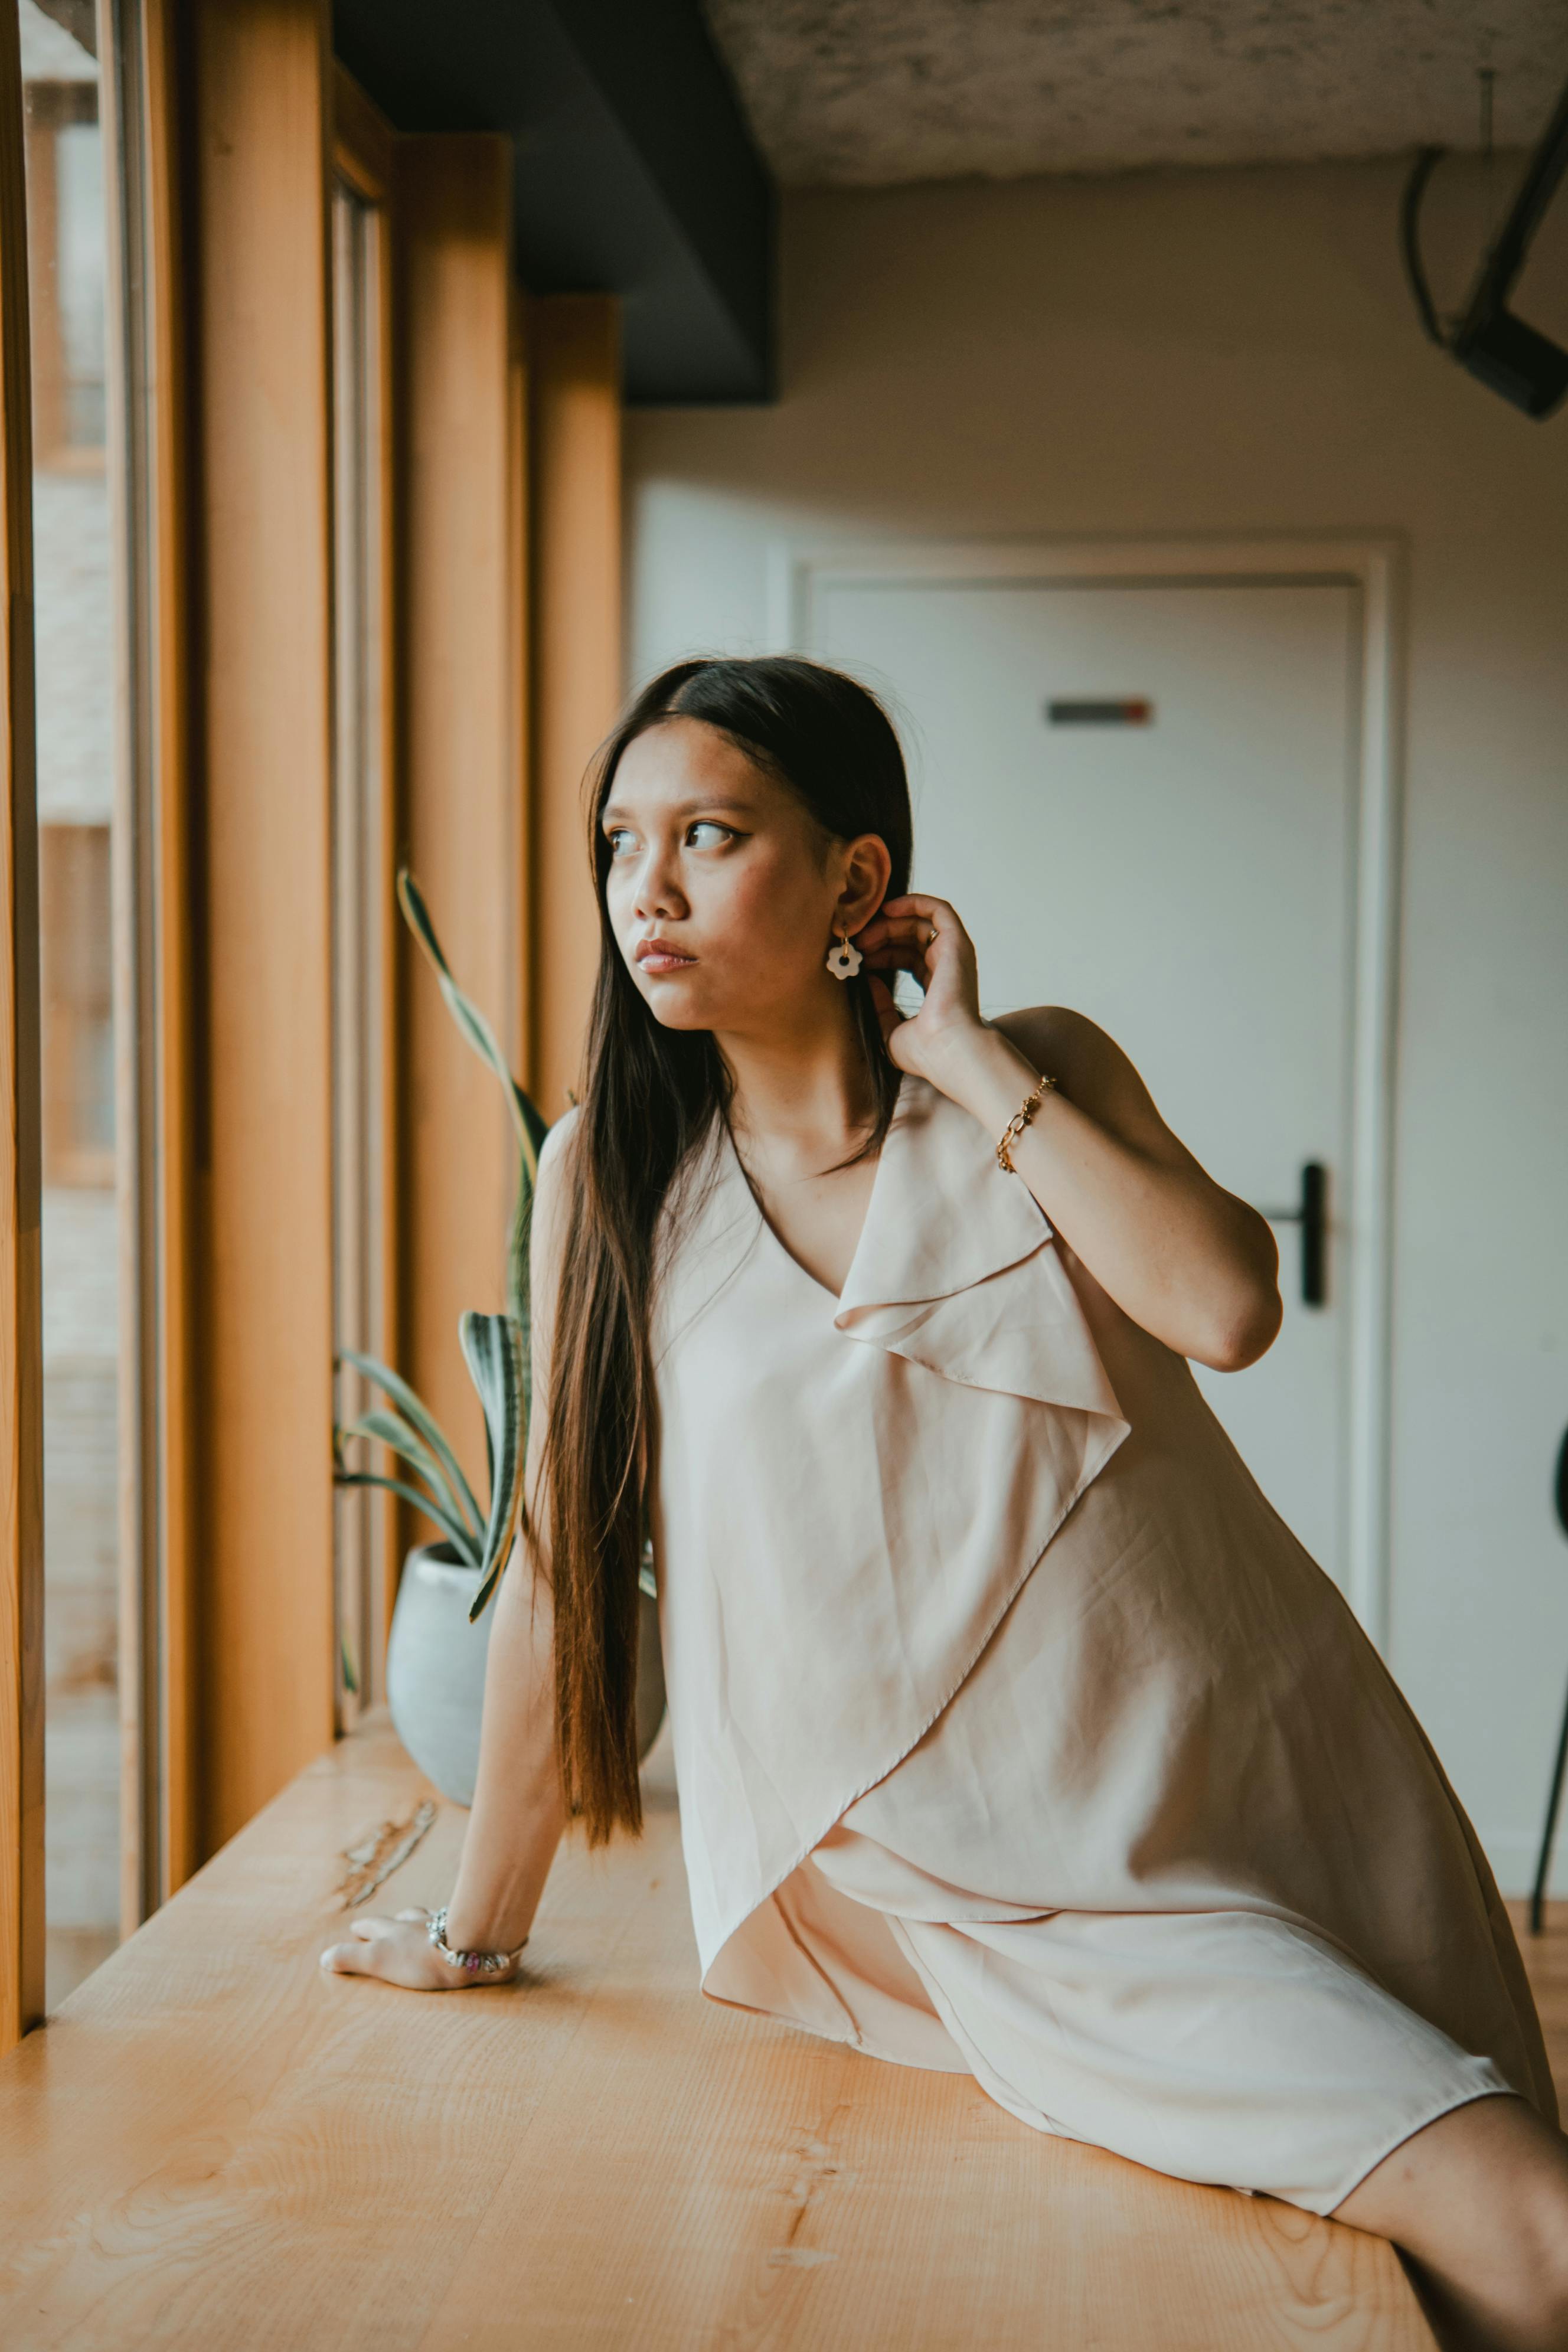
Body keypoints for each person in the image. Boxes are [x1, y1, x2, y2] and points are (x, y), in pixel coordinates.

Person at [324, 655, 1568, 2349]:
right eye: (620, 843)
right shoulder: (610, 1179)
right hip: (1013, 1899)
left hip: (1266, 1768)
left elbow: (1227, 1310)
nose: (647, 890)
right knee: (1530, 2223)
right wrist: (479, 1938)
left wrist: (972, 1061)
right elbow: (557, 1568)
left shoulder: (1029, 1078)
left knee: (1464, 2265)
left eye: (708, 834)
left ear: (856, 880)